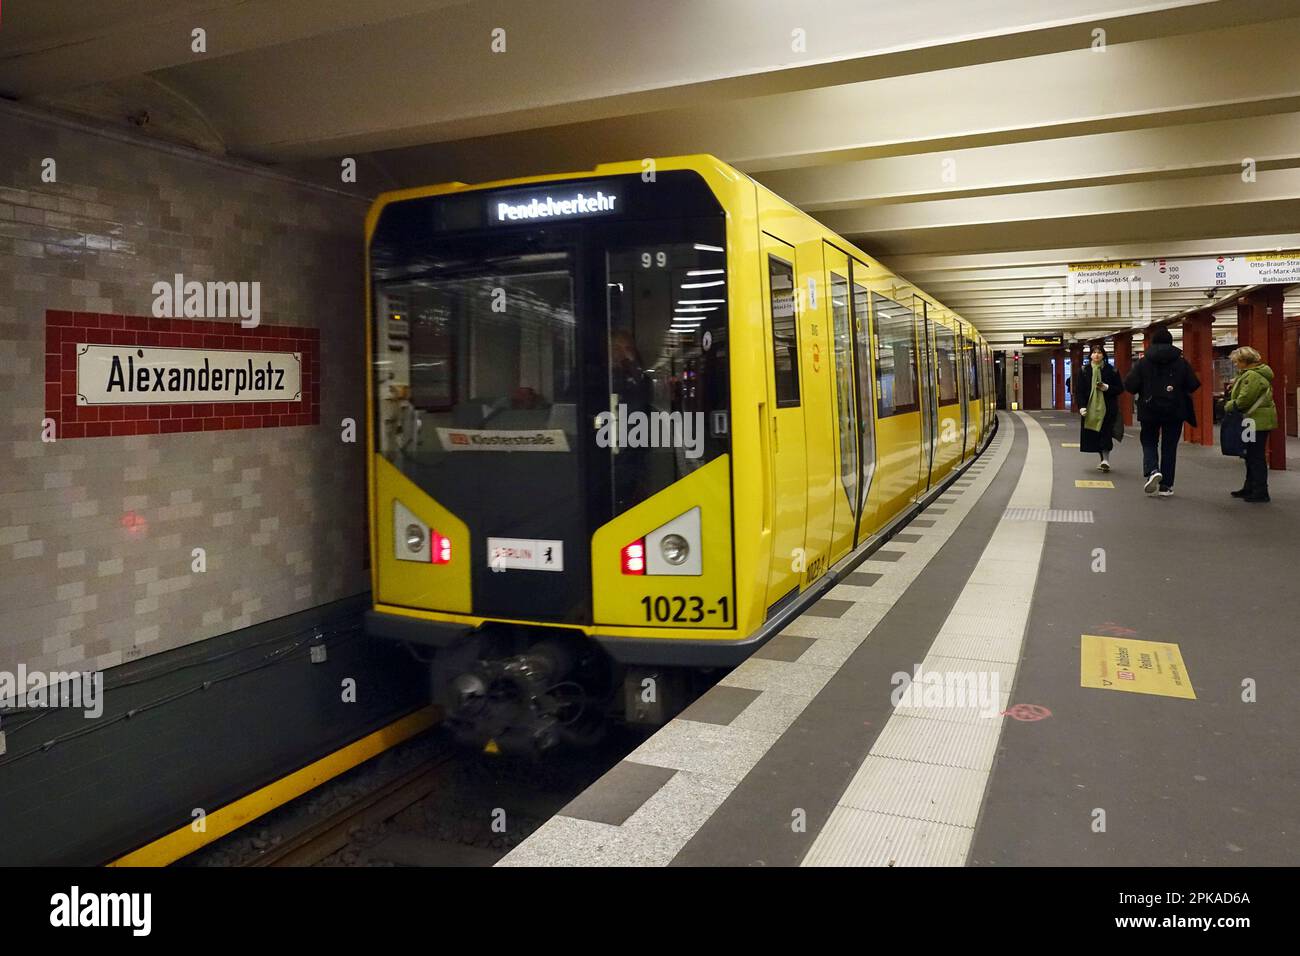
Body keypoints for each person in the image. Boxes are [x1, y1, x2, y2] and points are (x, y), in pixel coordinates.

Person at [1124, 326, 1200, 497]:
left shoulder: (1143, 362)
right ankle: (1166, 486)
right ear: (1171, 342)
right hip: (1175, 410)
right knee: (1169, 447)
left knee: (1149, 442)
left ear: (1152, 342)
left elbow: (1130, 385)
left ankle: (1152, 470)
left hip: (1149, 409)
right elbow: (1193, 384)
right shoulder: (1181, 362)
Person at [1224, 346, 1277, 503]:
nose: (1235, 365)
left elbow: (1245, 399)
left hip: (1255, 420)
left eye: (1236, 362)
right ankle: (1251, 487)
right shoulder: (1255, 374)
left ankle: (1260, 491)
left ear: (1245, 361)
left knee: (1255, 456)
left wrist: (1229, 405)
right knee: (1251, 455)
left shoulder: (1252, 376)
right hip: (1257, 420)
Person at [1074, 345, 1123, 471]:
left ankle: (1105, 459)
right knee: (1094, 434)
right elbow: (1079, 390)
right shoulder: (1084, 370)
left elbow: (1120, 388)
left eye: (1099, 353)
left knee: (1105, 432)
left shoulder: (1111, 370)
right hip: (1090, 408)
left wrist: (1107, 388)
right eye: (1094, 353)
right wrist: (1081, 406)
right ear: (1090, 355)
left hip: (1107, 408)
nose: (1096, 355)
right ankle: (1102, 458)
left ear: (1103, 355)